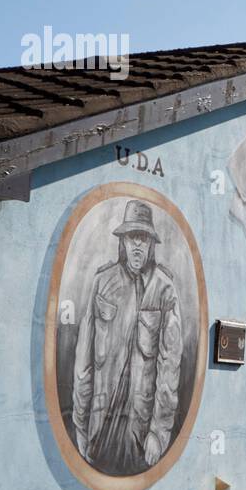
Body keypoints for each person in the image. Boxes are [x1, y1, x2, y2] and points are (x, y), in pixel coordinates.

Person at [72, 200, 183, 475]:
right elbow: (83, 361)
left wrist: (158, 433)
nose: (137, 245)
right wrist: (80, 423)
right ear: (122, 242)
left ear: (151, 245)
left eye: (143, 238)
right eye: (132, 237)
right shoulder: (102, 282)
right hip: (100, 420)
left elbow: (169, 369)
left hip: (140, 429)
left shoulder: (164, 288)